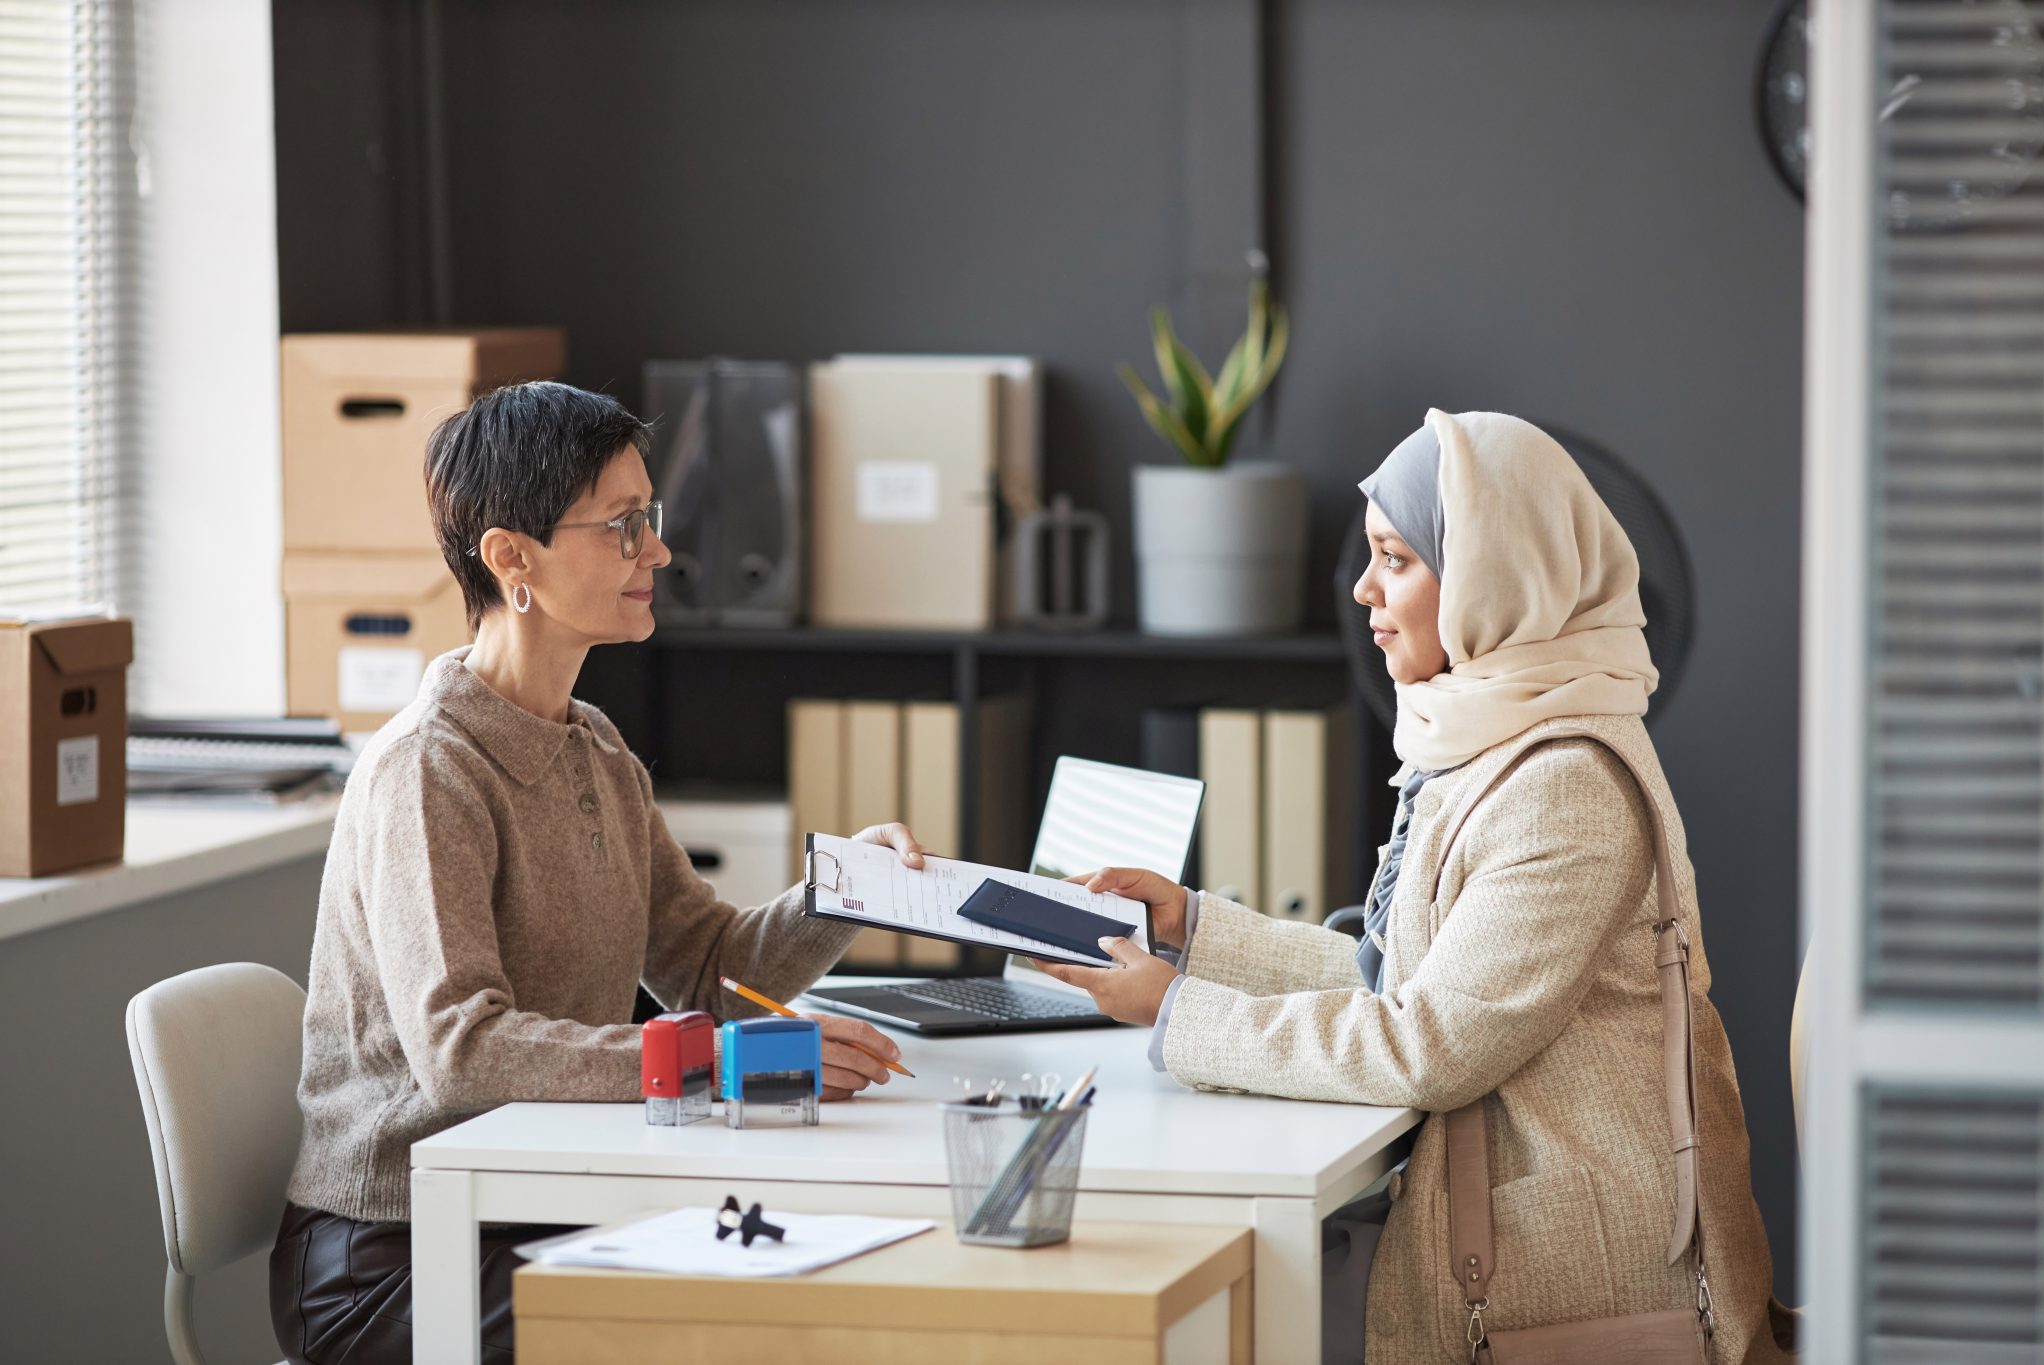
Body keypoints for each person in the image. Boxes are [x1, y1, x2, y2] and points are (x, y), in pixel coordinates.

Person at [1040, 409, 1788, 1364]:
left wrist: (1178, 1010)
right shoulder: (1496, 740)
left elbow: (1430, 1044)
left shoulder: (1563, 783)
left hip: (1581, 1280)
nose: (1363, 587)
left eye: (1394, 558)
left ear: (1492, 574)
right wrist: (1192, 930)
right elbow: (1410, 980)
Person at [271, 382, 923, 1365]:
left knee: (821, 1286)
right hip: (396, 1254)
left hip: (538, 1201)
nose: (655, 551)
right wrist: (725, 1065)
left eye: (647, 519)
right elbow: (462, 1049)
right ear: (511, 558)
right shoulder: (428, 768)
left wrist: (843, 889)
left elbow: (708, 967)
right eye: (623, 526)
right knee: (739, 1332)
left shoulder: (595, 747)